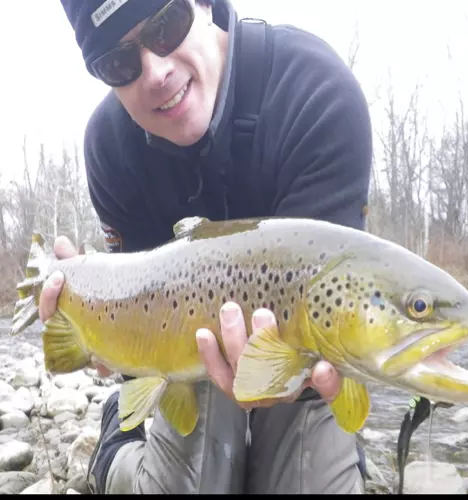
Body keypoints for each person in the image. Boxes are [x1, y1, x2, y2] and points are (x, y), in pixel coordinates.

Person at [43, 0, 373, 494]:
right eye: (118, 62)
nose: (154, 72)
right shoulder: (109, 145)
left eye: (165, 26)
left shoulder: (316, 94)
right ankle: (115, 454)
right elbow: (141, 303)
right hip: (185, 354)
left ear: (201, 4)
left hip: (297, 353)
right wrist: (90, 312)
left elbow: (336, 318)